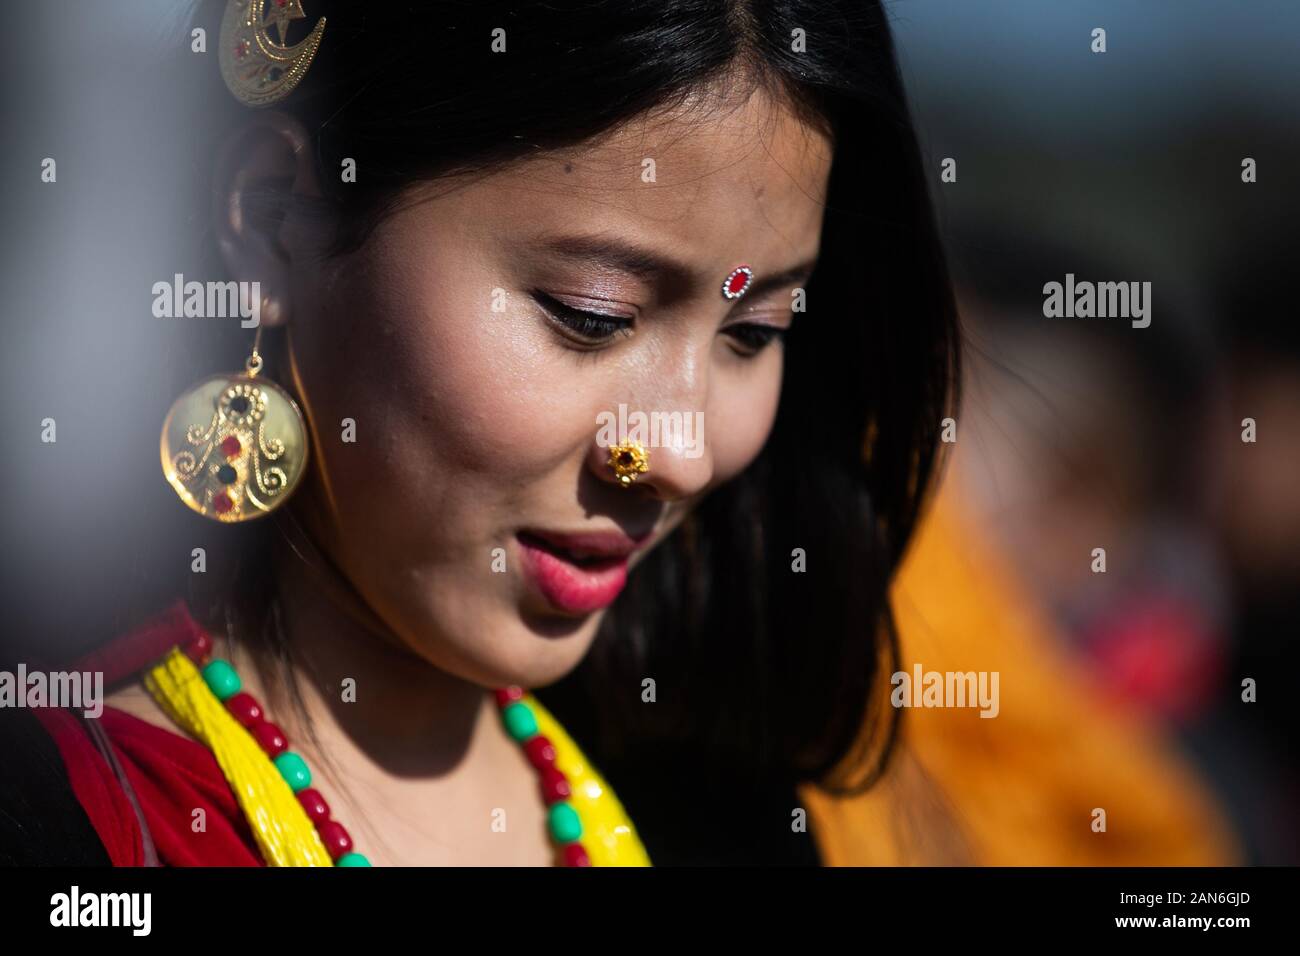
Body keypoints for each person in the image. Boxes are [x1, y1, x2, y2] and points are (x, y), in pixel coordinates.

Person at [0, 0, 959, 866]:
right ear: (272, 218)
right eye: (593, 314)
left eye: (754, 332)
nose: (680, 456)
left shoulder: (721, 823)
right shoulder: (67, 830)